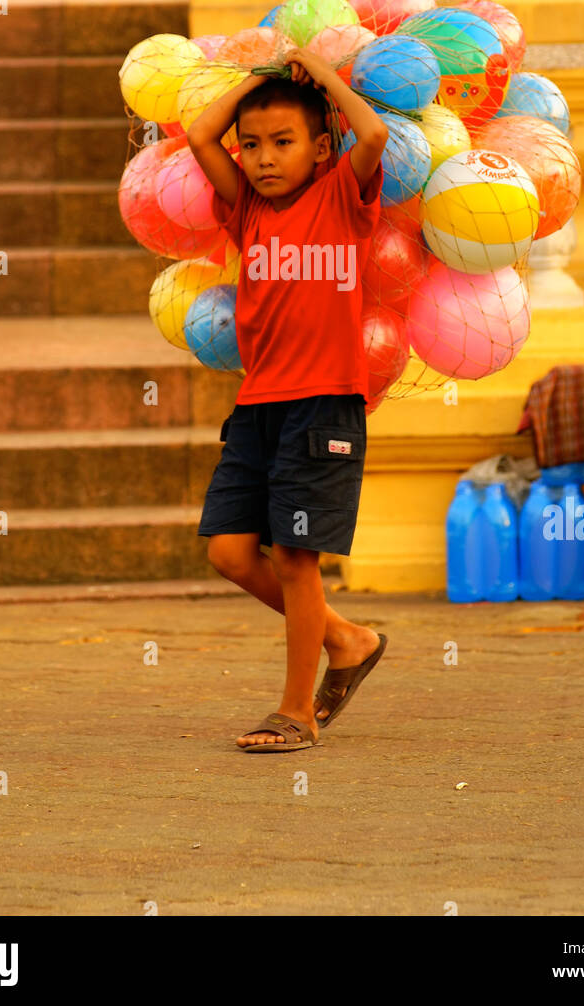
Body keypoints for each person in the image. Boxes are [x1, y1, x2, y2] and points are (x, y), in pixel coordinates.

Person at [187, 48, 390, 752]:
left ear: (320, 147)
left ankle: (296, 712)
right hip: (258, 404)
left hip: (324, 404)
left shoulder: (342, 196)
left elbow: (373, 138)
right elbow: (197, 136)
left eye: (282, 142)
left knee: (298, 558)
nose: (263, 158)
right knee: (230, 553)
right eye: (252, 145)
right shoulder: (244, 208)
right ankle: (347, 639)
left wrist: (322, 78)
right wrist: (266, 75)